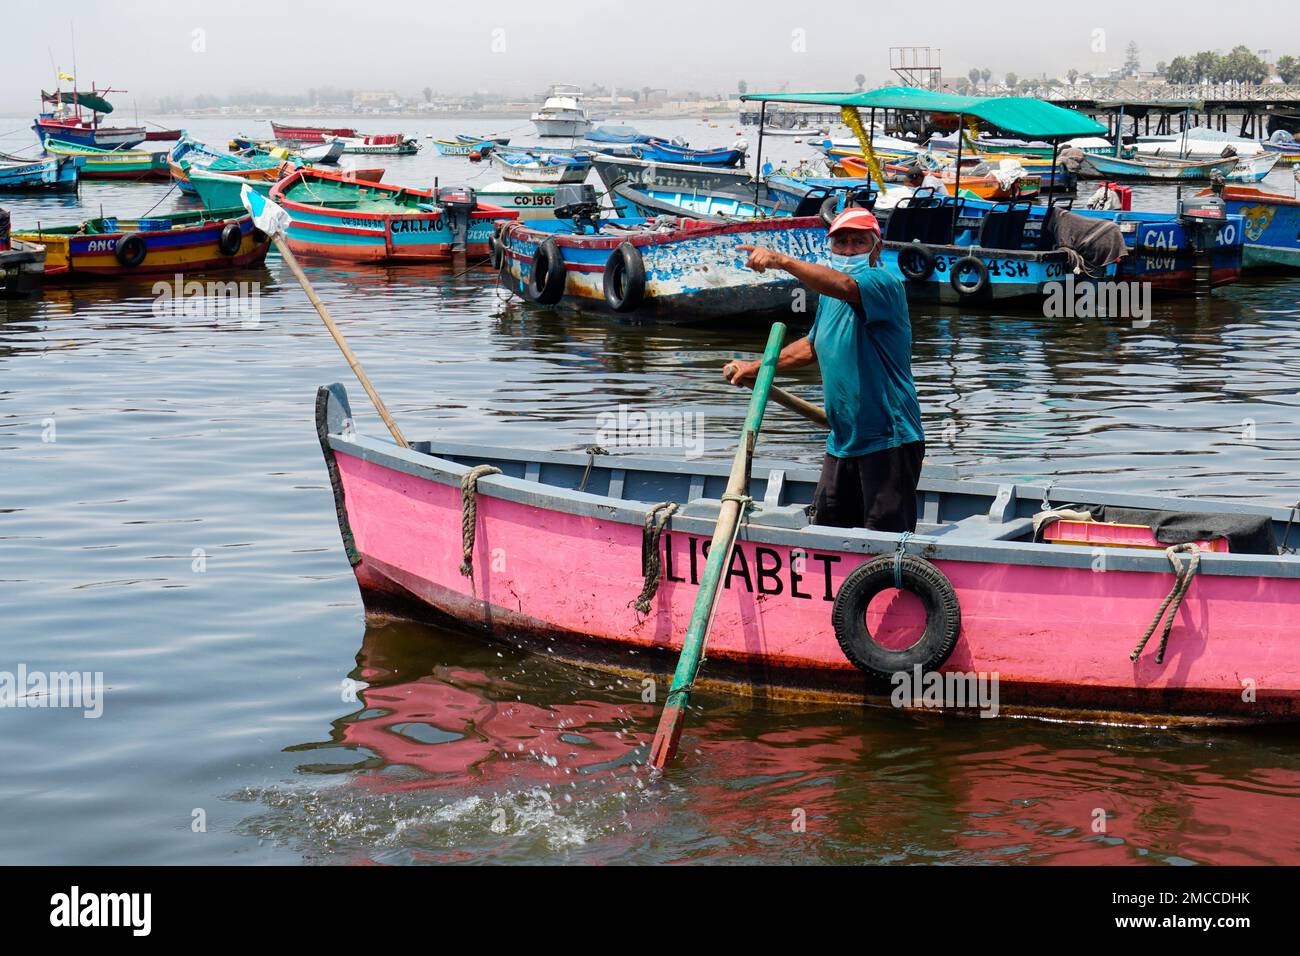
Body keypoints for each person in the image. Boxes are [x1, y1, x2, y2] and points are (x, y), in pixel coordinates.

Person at [724, 208, 925, 532]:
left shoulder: (882, 283)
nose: (848, 250)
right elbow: (812, 347)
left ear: (876, 248)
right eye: (841, 243)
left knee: (884, 548)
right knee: (828, 533)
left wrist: (783, 262)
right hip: (843, 440)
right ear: (830, 248)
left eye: (858, 242)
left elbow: (846, 285)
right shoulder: (829, 297)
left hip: (890, 440)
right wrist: (758, 368)